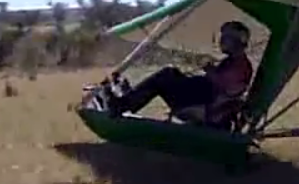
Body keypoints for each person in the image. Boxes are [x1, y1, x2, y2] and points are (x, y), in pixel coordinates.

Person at [101, 20, 255, 119]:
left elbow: (227, 90)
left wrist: (210, 72)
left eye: (226, 37)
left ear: (238, 41)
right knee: (172, 72)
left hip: (203, 105)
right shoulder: (231, 62)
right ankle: (129, 97)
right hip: (199, 96)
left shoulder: (242, 65)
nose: (221, 41)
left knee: (166, 75)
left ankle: (121, 105)